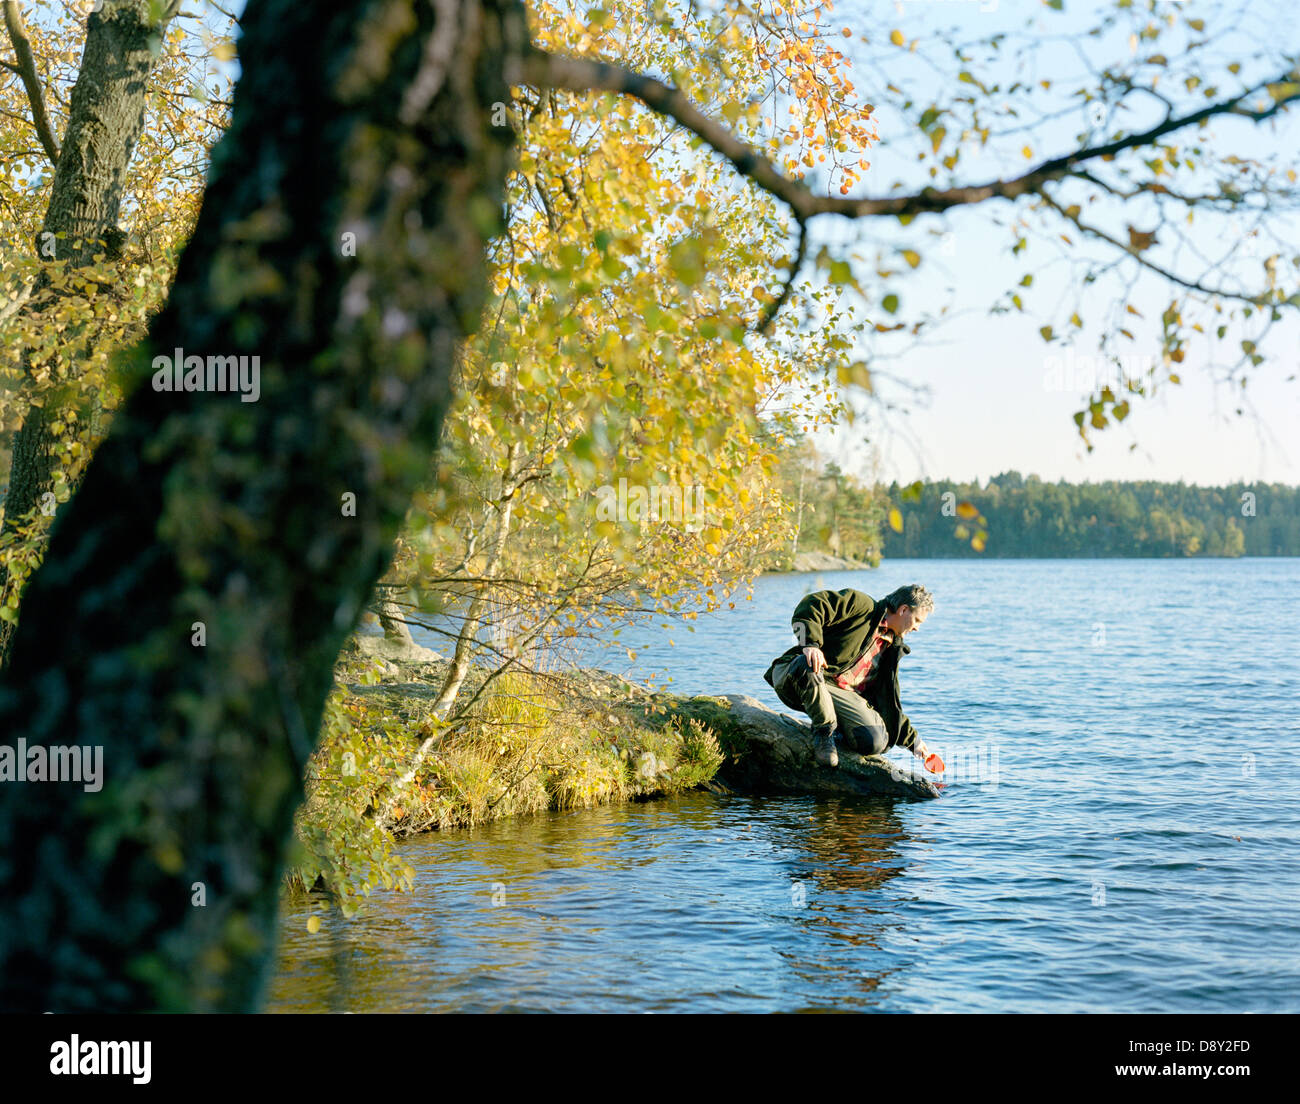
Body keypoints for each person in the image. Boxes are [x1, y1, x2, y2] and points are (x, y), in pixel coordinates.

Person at [762, 584, 941, 771]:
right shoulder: (861, 606)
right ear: (904, 609)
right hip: (797, 674)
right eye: (917, 621)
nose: (917, 628)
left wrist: (915, 742)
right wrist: (810, 644)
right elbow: (811, 604)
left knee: (875, 740)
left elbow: (888, 704)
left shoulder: (891, 650)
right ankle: (824, 734)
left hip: (836, 693)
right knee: (809, 665)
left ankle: (838, 734)